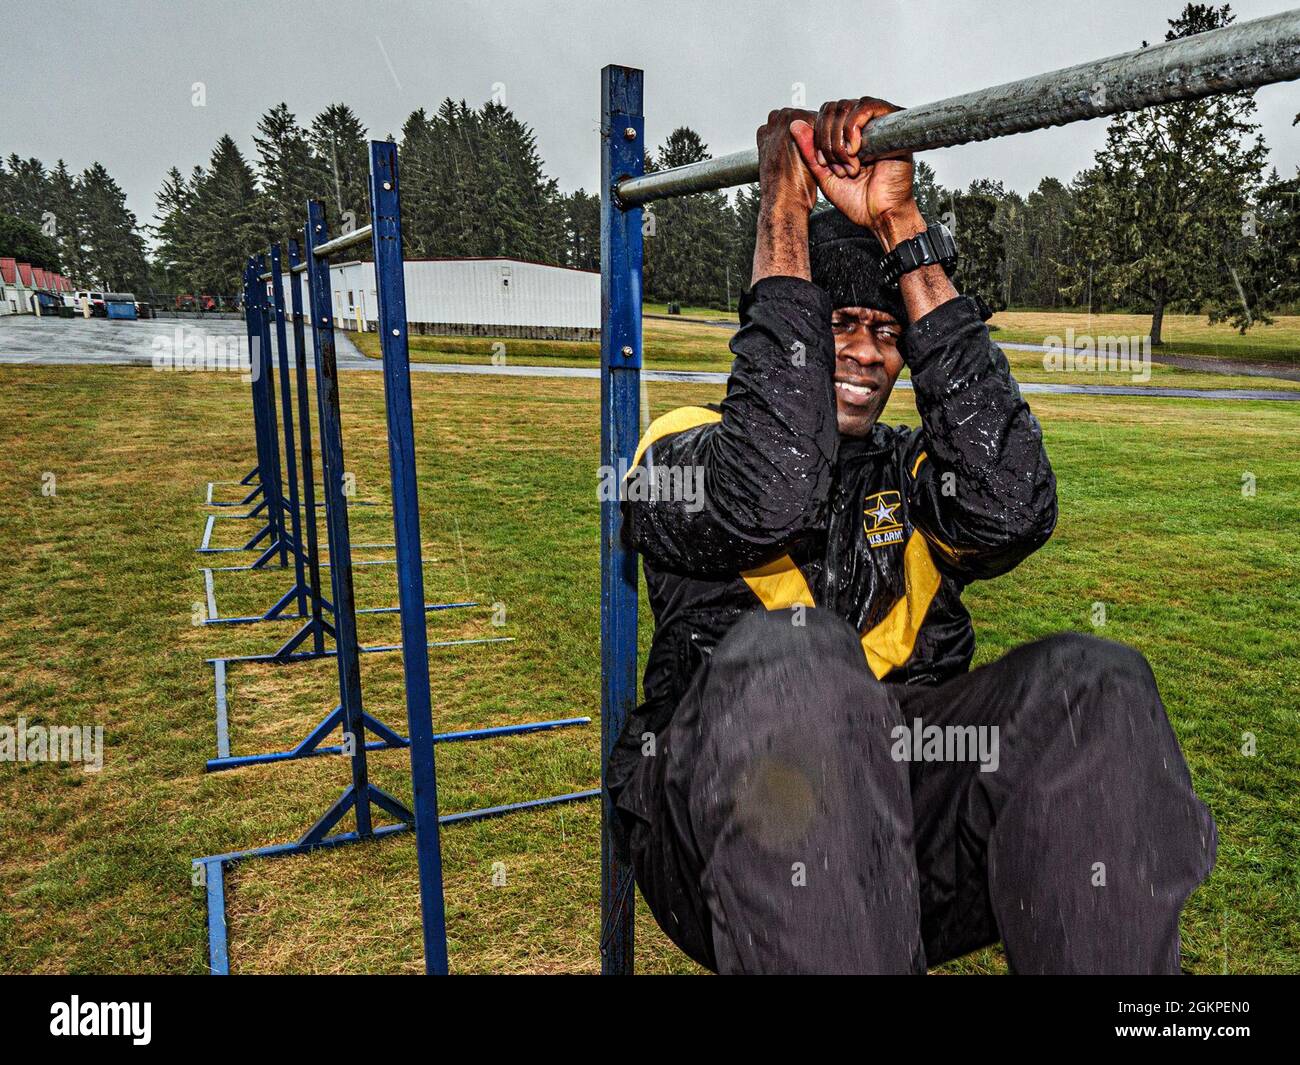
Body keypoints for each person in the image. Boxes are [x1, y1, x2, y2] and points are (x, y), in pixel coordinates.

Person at [606, 97, 1217, 974]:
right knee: (799, 655)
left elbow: (1012, 504)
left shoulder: (915, 475)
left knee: (1094, 684)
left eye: (885, 331)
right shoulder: (683, 442)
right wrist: (784, 203)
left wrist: (902, 224)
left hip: (901, 832)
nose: (864, 352)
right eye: (839, 324)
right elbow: (768, 489)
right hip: (716, 826)